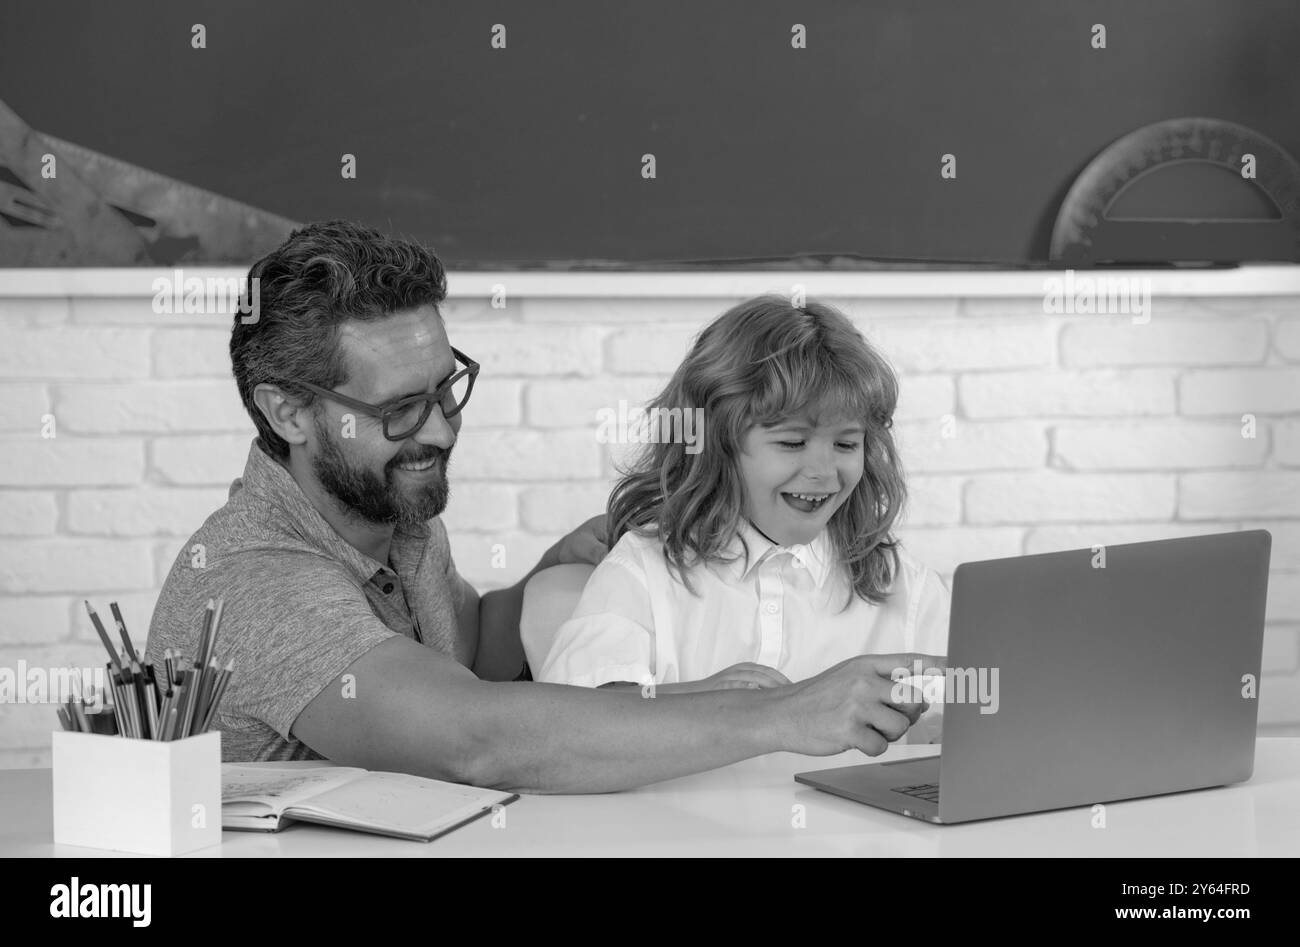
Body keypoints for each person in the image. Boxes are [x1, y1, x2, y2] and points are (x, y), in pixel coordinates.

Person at [144, 221, 941, 794]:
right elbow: (478, 740)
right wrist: (782, 714)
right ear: (287, 413)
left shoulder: (396, 516)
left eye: (447, 387)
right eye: (400, 408)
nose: (442, 428)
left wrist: (556, 572)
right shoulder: (258, 583)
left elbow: (476, 651)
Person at [537, 296, 948, 743]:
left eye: (846, 445)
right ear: (717, 443)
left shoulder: (905, 586)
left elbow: (985, 705)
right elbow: (570, 732)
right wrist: (711, 703)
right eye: (792, 443)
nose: (824, 472)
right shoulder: (642, 570)